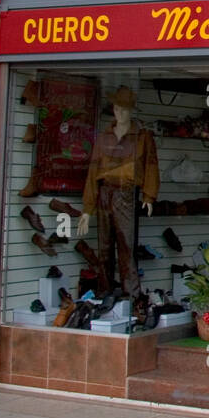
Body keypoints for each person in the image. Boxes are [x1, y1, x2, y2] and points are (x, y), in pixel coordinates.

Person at [78, 86, 159, 298]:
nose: (119, 113)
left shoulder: (142, 136)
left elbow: (150, 166)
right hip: (105, 192)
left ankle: (131, 296)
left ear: (131, 110)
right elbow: (94, 171)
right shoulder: (104, 136)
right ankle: (104, 292)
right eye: (116, 108)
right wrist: (88, 209)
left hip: (126, 192)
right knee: (104, 247)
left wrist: (148, 196)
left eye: (123, 109)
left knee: (126, 246)